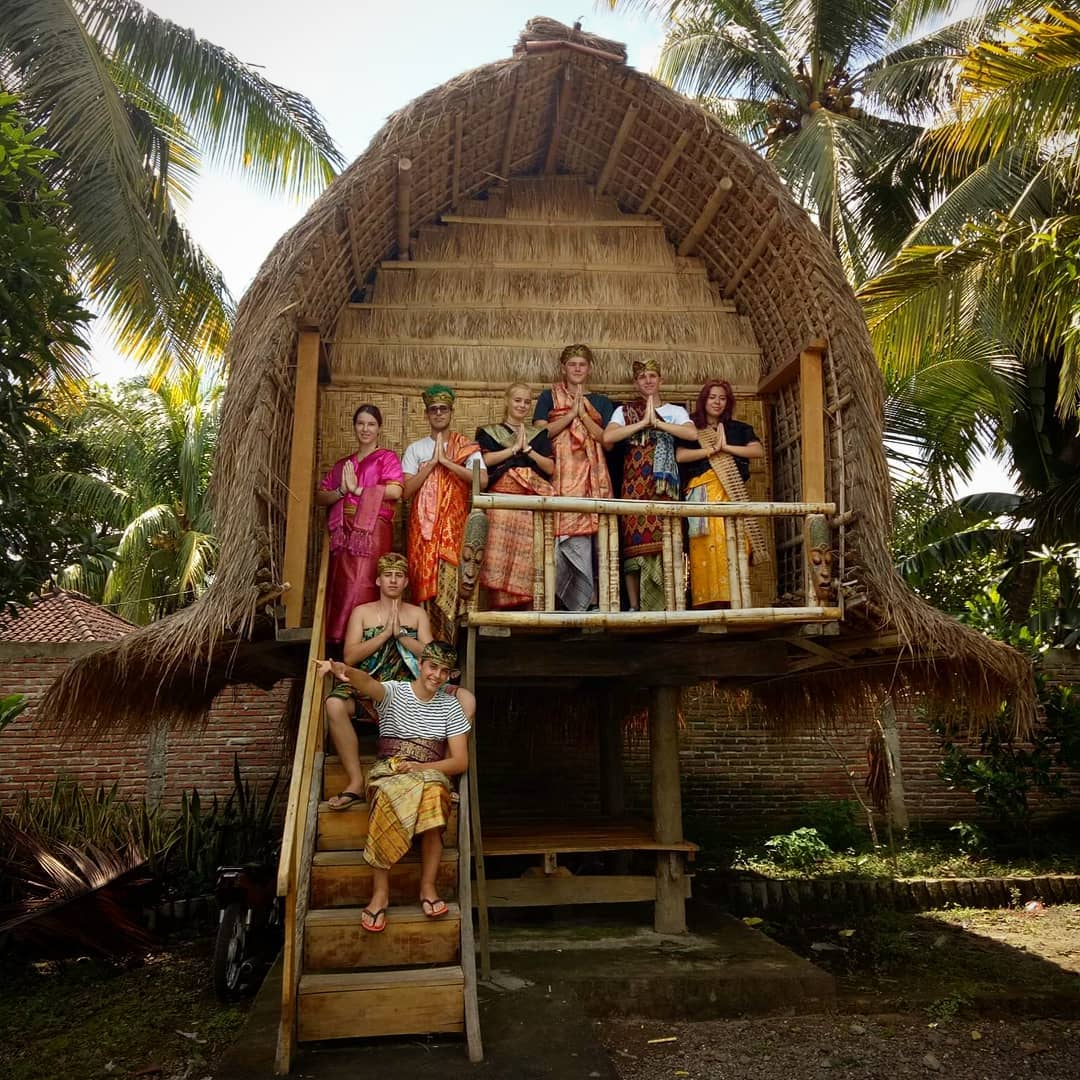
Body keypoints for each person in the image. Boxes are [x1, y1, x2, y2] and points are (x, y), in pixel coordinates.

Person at [315, 641, 471, 932]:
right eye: (432, 667)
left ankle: (427, 887)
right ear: (421, 665)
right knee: (386, 796)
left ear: (450, 676)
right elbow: (368, 684)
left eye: (444, 671)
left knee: (436, 795)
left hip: (430, 773)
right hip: (390, 771)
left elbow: (460, 761)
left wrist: (423, 768)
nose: (436, 675)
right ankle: (380, 892)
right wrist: (344, 670)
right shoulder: (394, 692)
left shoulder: (450, 706)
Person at [324, 552, 432, 809]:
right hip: (367, 687)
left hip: (406, 690)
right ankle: (354, 781)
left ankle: (435, 778)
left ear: (406, 583)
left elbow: (431, 655)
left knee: (447, 702)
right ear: (378, 581)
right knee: (334, 704)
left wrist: (403, 636)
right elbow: (349, 656)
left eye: (399, 576)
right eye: (388, 575)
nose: (393, 580)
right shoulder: (362, 613)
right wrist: (384, 635)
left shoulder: (417, 614)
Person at [603, 359, 696, 611]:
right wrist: (642, 423)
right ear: (636, 383)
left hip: (663, 485)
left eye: (652, 375)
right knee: (634, 543)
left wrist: (658, 424)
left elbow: (691, 434)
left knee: (665, 540)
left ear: (660, 380)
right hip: (634, 483)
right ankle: (635, 606)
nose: (648, 380)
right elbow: (608, 437)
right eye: (642, 376)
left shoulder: (675, 411)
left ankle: (671, 604)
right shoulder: (623, 412)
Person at [533, 344, 615, 610]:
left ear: (589, 368)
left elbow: (608, 441)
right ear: (563, 368)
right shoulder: (549, 397)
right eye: (572, 364)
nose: (577, 369)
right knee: (560, 536)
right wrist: (571, 414)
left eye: (582, 364)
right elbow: (540, 435)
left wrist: (583, 415)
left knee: (591, 539)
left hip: (591, 478)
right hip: (560, 477)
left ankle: (590, 601)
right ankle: (559, 604)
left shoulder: (601, 402)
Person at [402, 385, 487, 641]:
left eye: (443, 409)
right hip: (423, 533)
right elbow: (405, 491)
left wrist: (448, 463)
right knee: (425, 589)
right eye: (433, 410)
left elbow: (481, 481)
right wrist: (431, 465)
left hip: (454, 528)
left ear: (451, 412)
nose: (438, 413)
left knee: (451, 585)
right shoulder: (415, 449)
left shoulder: (466, 448)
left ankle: (447, 652)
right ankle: (428, 652)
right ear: (427, 414)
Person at [316, 404, 404, 646]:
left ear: (379, 429)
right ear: (354, 427)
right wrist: (341, 490)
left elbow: (396, 491)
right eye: (361, 423)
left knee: (363, 584)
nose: (365, 429)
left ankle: (366, 639)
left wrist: (358, 490)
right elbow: (320, 496)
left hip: (372, 532)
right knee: (342, 585)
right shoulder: (342, 465)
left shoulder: (386, 458)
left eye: (371, 424)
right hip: (343, 533)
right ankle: (339, 639)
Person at [676, 380, 765, 608]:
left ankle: (735, 601)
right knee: (705, 546)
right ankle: (706, 604)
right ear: (704, 400)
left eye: (722, 398)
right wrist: (710, 451)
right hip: (702, 493)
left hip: (731, 493)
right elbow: (680, 456)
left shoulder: (739, 429)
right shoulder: (691, 428)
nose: (717, 402)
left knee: (735, 544)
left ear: (728, 402)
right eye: (712, 397)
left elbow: (757, 450)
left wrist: (725, 448)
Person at [476, 383, 555, 608]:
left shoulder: (538, 435)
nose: (522, 405)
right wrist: (512, 450)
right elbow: (485, 461)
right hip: (500, 504)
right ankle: (497, 613)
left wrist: (528, 450)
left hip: (529, 505)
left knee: (529, 561)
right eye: (517, 400)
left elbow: (550, 468)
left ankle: (528, 616)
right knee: (497, 559)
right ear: (507, 401)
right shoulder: (490, 432)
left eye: (527, 402)